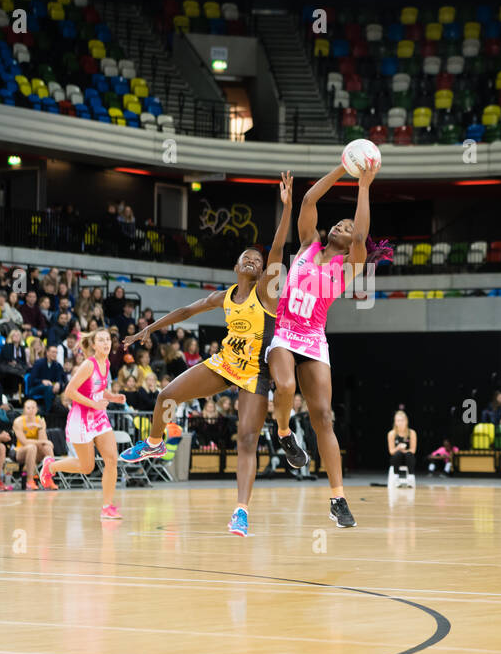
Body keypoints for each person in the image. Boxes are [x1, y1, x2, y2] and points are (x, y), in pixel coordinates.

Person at [120, 171, 295, 537]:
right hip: (224, 363)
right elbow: (186, 311)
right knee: (166, 396)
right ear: (235, 268)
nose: (252, 260)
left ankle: (241, 512)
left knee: (246, 440)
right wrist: (149, 329)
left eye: (256, 260)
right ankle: (153, 444)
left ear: (263, 271)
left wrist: (288, 206)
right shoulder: (224, 296)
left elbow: (277, 249)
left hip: (254, 374)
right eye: (245, 257)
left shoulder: (267, 293)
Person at [266, 160, 384, 531]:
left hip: (314, 339)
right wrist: (341, 168)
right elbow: (308, 202)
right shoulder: (305, 244)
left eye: (347, 227)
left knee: (323, 418)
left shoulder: (350, 265)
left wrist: (363, 186)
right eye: (340, 223)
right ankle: (283, 432)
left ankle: (338, 499)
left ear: (351, 242)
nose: (341, 226)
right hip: (284, 330)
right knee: (285, 386)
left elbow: (363, 237)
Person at [38, 330, 128, 519]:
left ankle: (107, 507)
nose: (106, 343)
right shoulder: (88, 365)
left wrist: (112, 397)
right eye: (101, 340)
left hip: (99, 417)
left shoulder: (107, 363)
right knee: (87, 467)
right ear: (94, 345)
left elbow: (98, 389)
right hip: (81, 419)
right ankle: (51, 466)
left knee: (112, 459)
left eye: (108, 340)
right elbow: (69, 392)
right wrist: (94, 404)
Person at [11, 398, 55, 490]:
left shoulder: (40, 421)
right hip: (20, 451)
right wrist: (43, 442)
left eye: (33, 408)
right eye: (28, 408)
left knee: (47, 448)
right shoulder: (18, 422)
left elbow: (44, 442)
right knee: (31, 447)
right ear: (24, 409)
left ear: (36, 409)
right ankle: (29, 480)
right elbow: (24, 442)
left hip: (36, 453)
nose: (31, 410)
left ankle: (48, 478)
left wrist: (41, 428)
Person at [386, 410, 417, 481]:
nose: (400, 423)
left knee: (409, 454)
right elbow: (391, 451)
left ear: (406, 421)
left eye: (402, 420)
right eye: (398, 421)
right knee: (398, 454)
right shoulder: (391, 434)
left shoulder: (412, 433)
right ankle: (396, 475)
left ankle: (411, 476)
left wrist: (405, 451)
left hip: (408, 458)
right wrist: (398, 447)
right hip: (397, 458)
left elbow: (413, 450)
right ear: (395, 422)